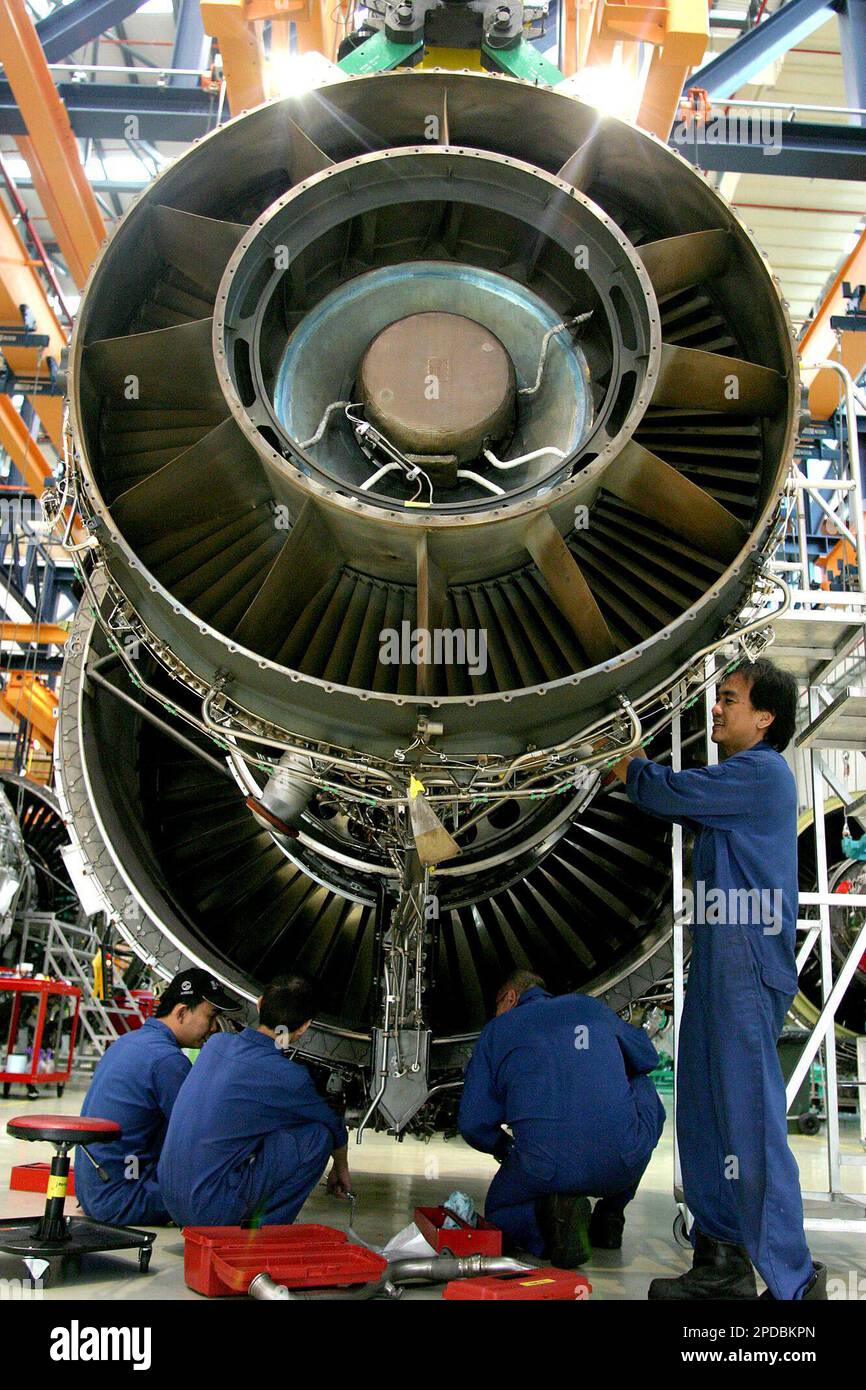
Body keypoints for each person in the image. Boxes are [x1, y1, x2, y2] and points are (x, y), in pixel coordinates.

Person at [613, 657, 825, 1301]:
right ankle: (721, 1262)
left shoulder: (760, 776)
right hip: (715, 961)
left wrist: (625, 762)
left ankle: (793, 1281)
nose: (717, 709)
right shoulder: (738, 778)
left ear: (764, 718)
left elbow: (671, 795)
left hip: (746, 964)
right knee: (703, 1116)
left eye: (728, 699)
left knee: (750, 1120)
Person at [458, 969, 665, 1265]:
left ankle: (550, 1221)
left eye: (497, 1007)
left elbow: (472, 1123)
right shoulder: (589, 1006)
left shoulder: (497, 1030)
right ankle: (611, 1213)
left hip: (544, 1169)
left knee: (500, 1213)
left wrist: (506, 1148)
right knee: (642, 1083)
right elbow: (647, 1057)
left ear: (510, 997)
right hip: (620, 1163)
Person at [158, 973, 350, 1227]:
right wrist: (341, 1165)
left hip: (171, 1202)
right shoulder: (289, 1077)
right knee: (316, 1137)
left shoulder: (216, 1044)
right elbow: (333, 1126)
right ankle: (264, 1230)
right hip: (209, 1210)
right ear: (305, 1026)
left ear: (259, 1004)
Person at [76, 967, 237, 1224]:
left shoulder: (127, 1042)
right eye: (212, 1016)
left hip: (95, 1192)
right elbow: (206, 1136)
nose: (214, 1028)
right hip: (126, 1198)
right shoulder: (167, 1061)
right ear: (182, 1012)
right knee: (235, 1183)